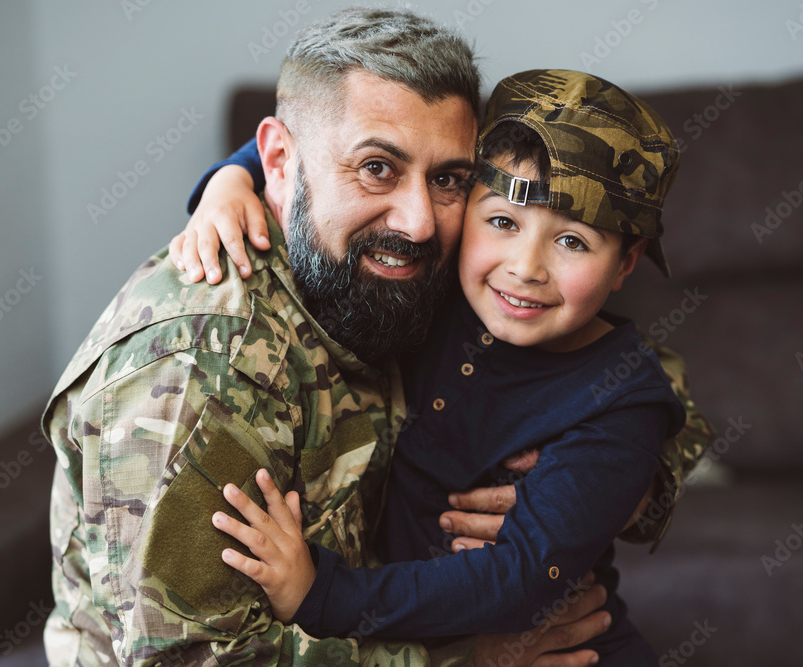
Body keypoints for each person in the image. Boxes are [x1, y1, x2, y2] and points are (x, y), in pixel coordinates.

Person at [42, 9, 654, 667]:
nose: (419, 222)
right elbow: (186, 659)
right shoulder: (202, 367)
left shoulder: (433, 273)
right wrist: (459, 660)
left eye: (447, 178)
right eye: (376, 169)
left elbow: (628, 391)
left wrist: (621, 489)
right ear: (280, 160)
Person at [185, 69, 694, 664]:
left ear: (627, 262)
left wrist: (323, 594)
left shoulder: (621, 399)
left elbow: (522, 579)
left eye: (573, 242)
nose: (525, 267)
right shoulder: (434, 275)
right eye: (503, 222)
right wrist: (231, 178)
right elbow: (323, 134)